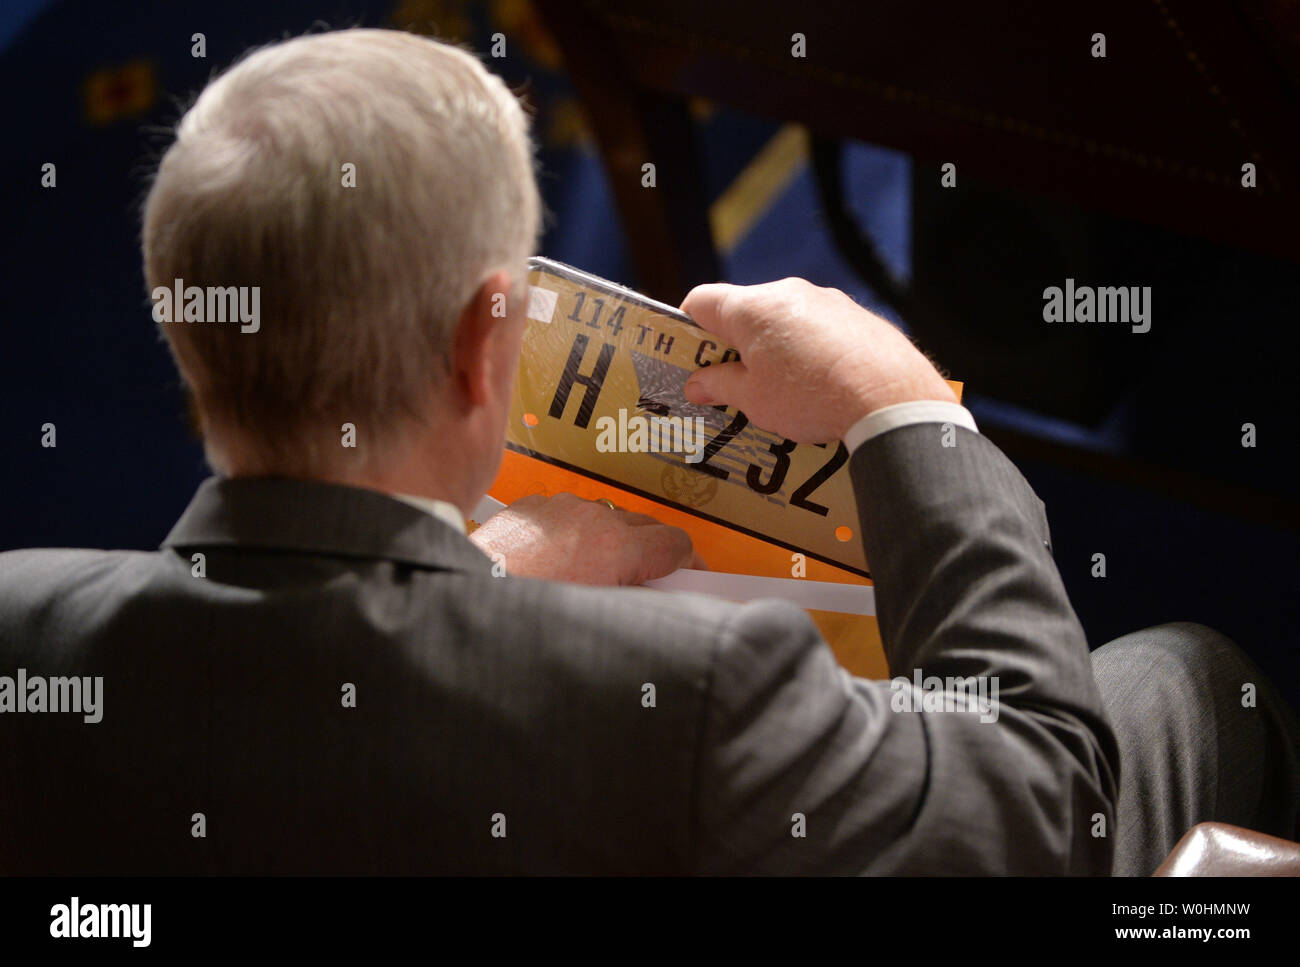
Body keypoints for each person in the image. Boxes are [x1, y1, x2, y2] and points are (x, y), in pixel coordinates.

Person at [0, 28, 1295, 875]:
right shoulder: (701, 686)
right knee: (1190, 679)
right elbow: (1038, 805)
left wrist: (475, 597)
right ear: (483, 343)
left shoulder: (20, 622)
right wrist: (907, 414)